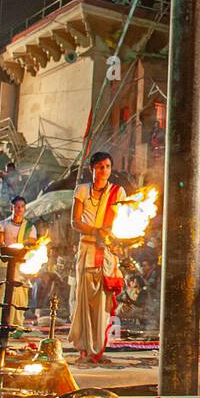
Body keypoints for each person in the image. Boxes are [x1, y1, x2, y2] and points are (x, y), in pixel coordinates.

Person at [69, 152, 126, 362]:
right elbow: (75, 223)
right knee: (84, 301)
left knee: (102, 302)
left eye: (108, 166)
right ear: (92, 168)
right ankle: (85, 349)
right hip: (87, 251)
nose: (104, 171)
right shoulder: (82, 190)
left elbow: (120, 222)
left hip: (107, 253)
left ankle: (98, 350)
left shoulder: (118, 192)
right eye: (100, 166)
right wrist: (96, 231)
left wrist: (110, 235)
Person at [0, 196, 37, 331]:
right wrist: (9, 251)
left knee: (19, 294)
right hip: (5, 263)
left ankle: (16, 323)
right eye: (17, 206)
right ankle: (3, 322)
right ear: (12, 208)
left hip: (21, 264)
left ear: (25, 209)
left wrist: (21, 247)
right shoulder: (3, 224)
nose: (19, 209)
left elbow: (32, 243)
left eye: (22, 207)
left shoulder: (30, 227)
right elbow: (0, 243)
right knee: (3, 291)